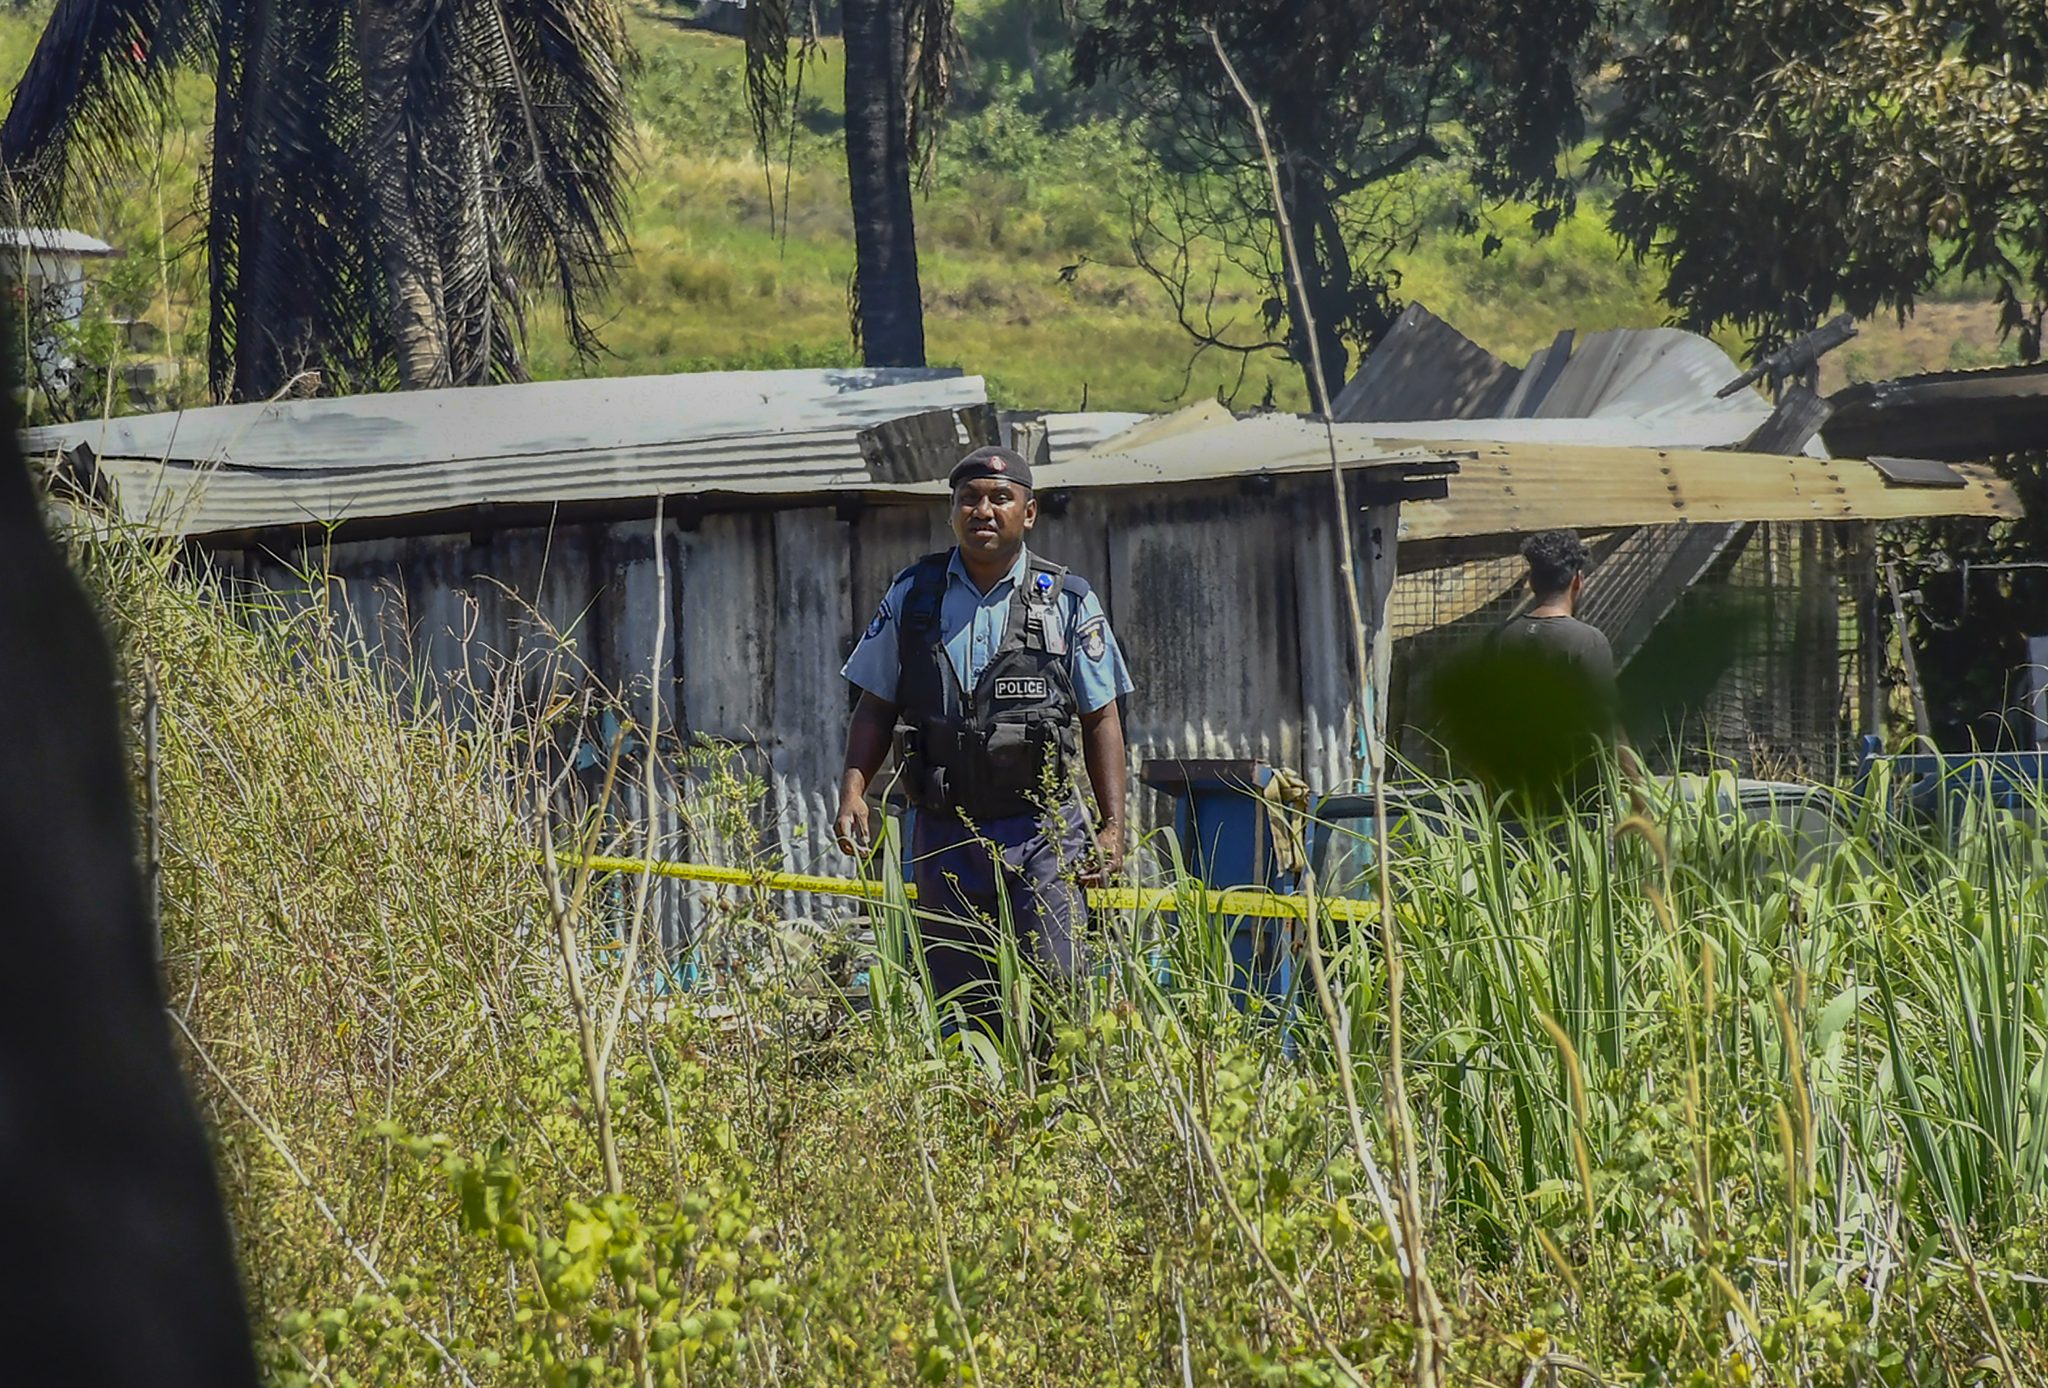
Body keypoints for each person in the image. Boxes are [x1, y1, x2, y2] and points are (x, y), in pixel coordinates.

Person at [835, 444, 1133, 1035]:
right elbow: (874, 704)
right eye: (969, 498)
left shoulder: (1067, 600)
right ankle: (977, 1119)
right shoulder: (914, 595)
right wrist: (852, 790)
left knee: (1055, 998)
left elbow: (1102, 718)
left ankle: (1056, 1120)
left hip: (1042, 835)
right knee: (959, 1008)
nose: (984, 510)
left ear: (1029, 512)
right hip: (946, 833)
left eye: (1001, 498)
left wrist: (1113, 826)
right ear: (951, 511)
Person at [1498, 529, 1645, 789]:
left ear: (1531, 582)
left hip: (1513, 796)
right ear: (1578, 581)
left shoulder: (1500, 639)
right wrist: (1638, 794)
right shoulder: (1587, 641)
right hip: (1575, 798)